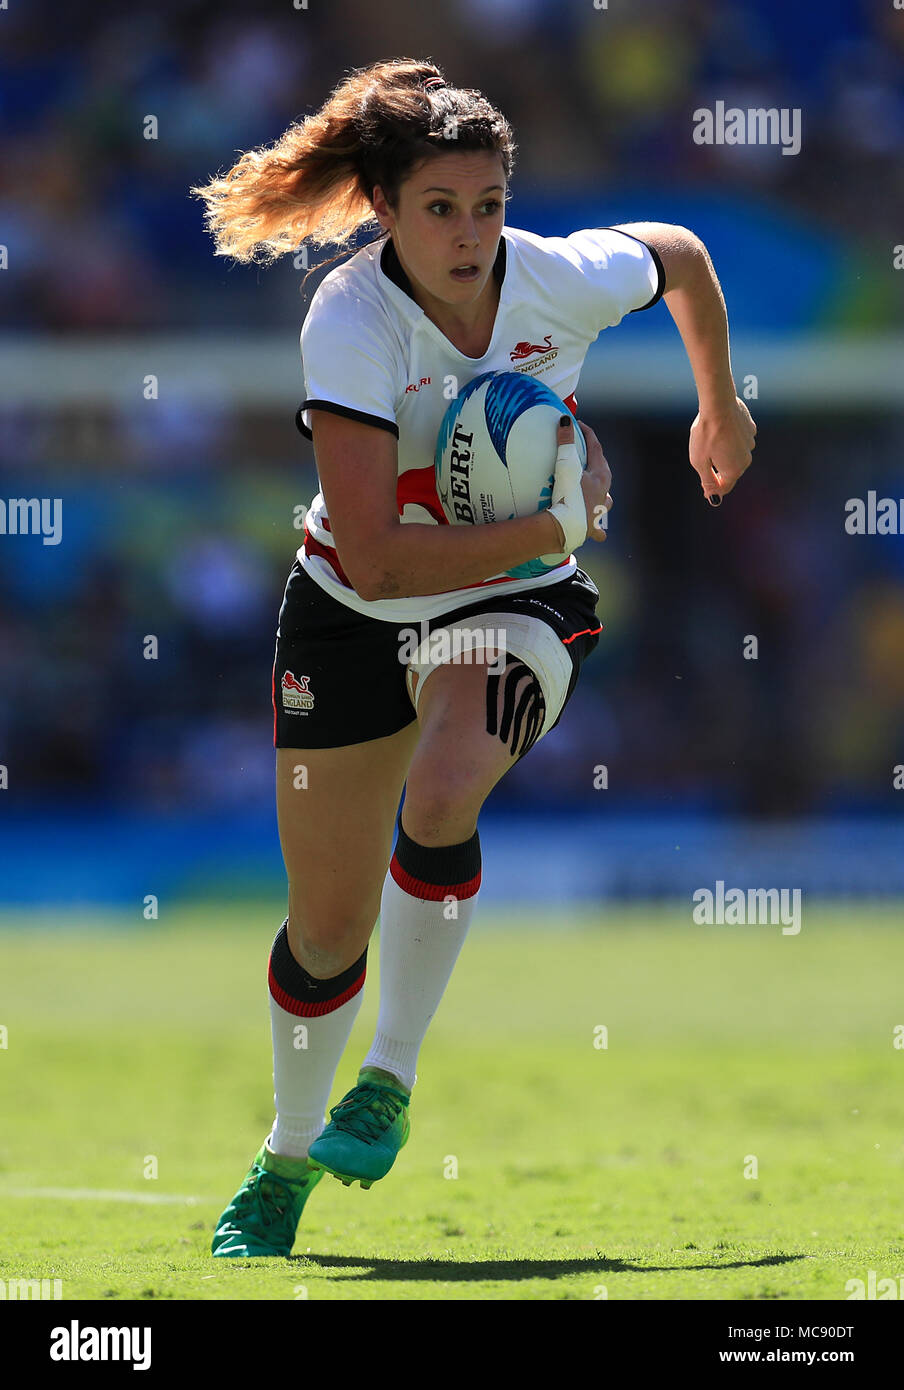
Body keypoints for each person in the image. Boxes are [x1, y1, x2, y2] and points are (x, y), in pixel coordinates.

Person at [191, 56, 755, 1258]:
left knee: (444, 790)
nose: (468, 233)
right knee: (324, 932)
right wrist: (561, 519)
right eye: (438, 208)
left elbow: (686, 259)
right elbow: (385, 562)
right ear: (383, 209)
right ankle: (283, 1157)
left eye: (487, 204)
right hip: (353, 604)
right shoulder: (349, 317)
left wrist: (724, 408)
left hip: (515, 603)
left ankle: (386, 1080)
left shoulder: (556, 279)